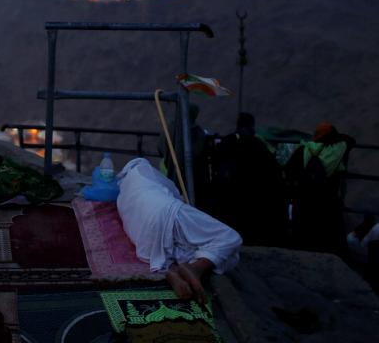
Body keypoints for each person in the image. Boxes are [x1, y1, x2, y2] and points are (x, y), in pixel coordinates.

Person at [116, 158, 242, 303]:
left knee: (191, 246)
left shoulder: (123, 193)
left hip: (146, 241)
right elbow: (174, 191)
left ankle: (175, 272)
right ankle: (196, 268)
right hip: (164, 211)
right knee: (230, 238)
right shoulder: (143, 170)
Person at [208, 113, 288, 246]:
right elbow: (272, 168)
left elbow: (215, 162)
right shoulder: (257, 144)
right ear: (251, 125)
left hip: (229, 193)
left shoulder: (228, 141)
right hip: (252, 194)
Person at [284, 122, 354, 255]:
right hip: (327, 204)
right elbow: (350, 139)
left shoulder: (303, 149)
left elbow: (289, 171)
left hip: (304, 205)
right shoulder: (338, 149)